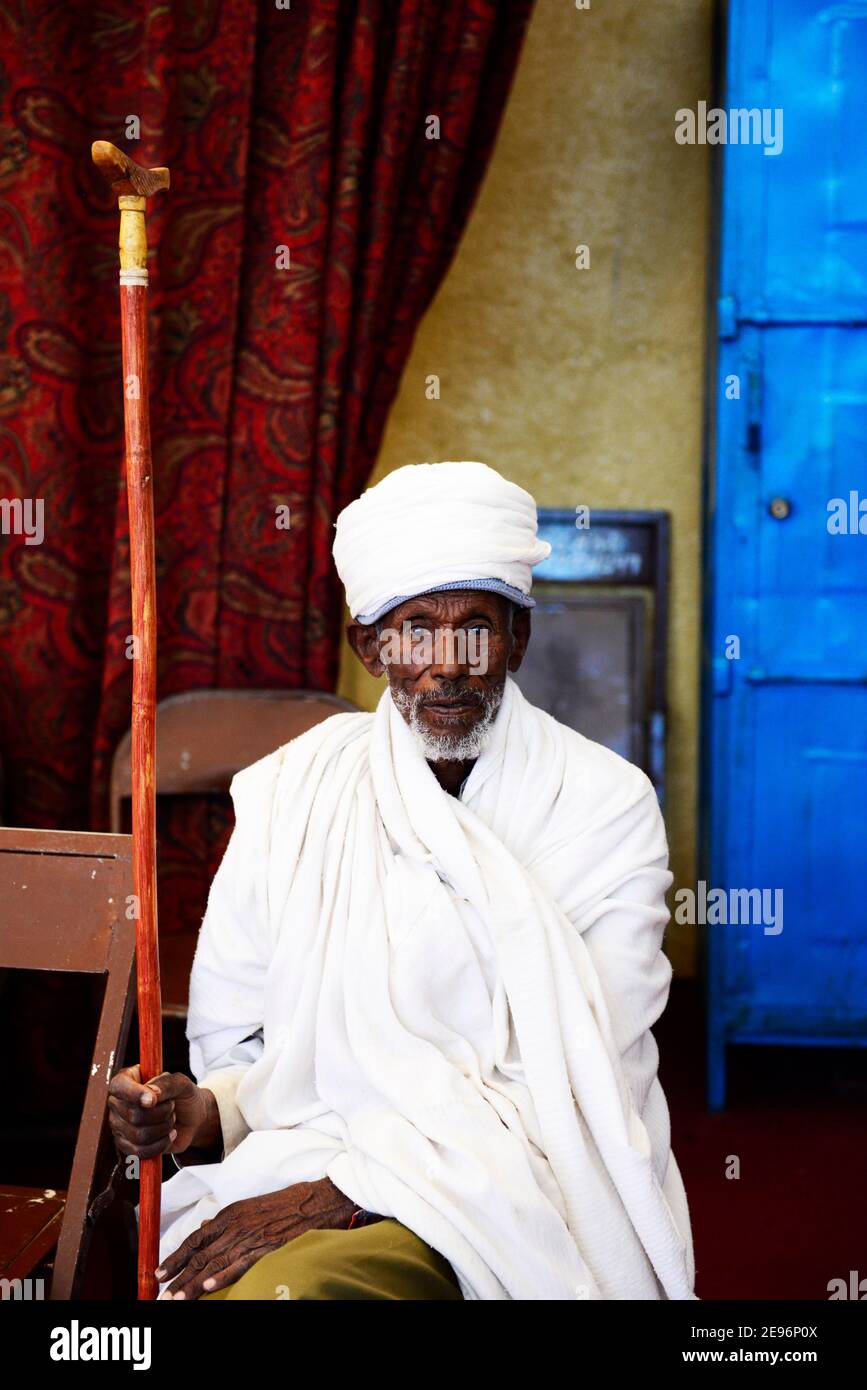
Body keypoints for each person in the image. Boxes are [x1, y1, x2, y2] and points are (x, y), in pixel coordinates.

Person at [108, 460, 696, 1301]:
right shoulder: (291, 792)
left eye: (476, 629)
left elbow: (580, 1082)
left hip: (512, 1186)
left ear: (518, 640)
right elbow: (247, 1056)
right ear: (370, 648)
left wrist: (349, 1191)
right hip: (299, 1161)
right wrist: (194, 1113)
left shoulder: (604, 805)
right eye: (415, 630)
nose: (447, 665)